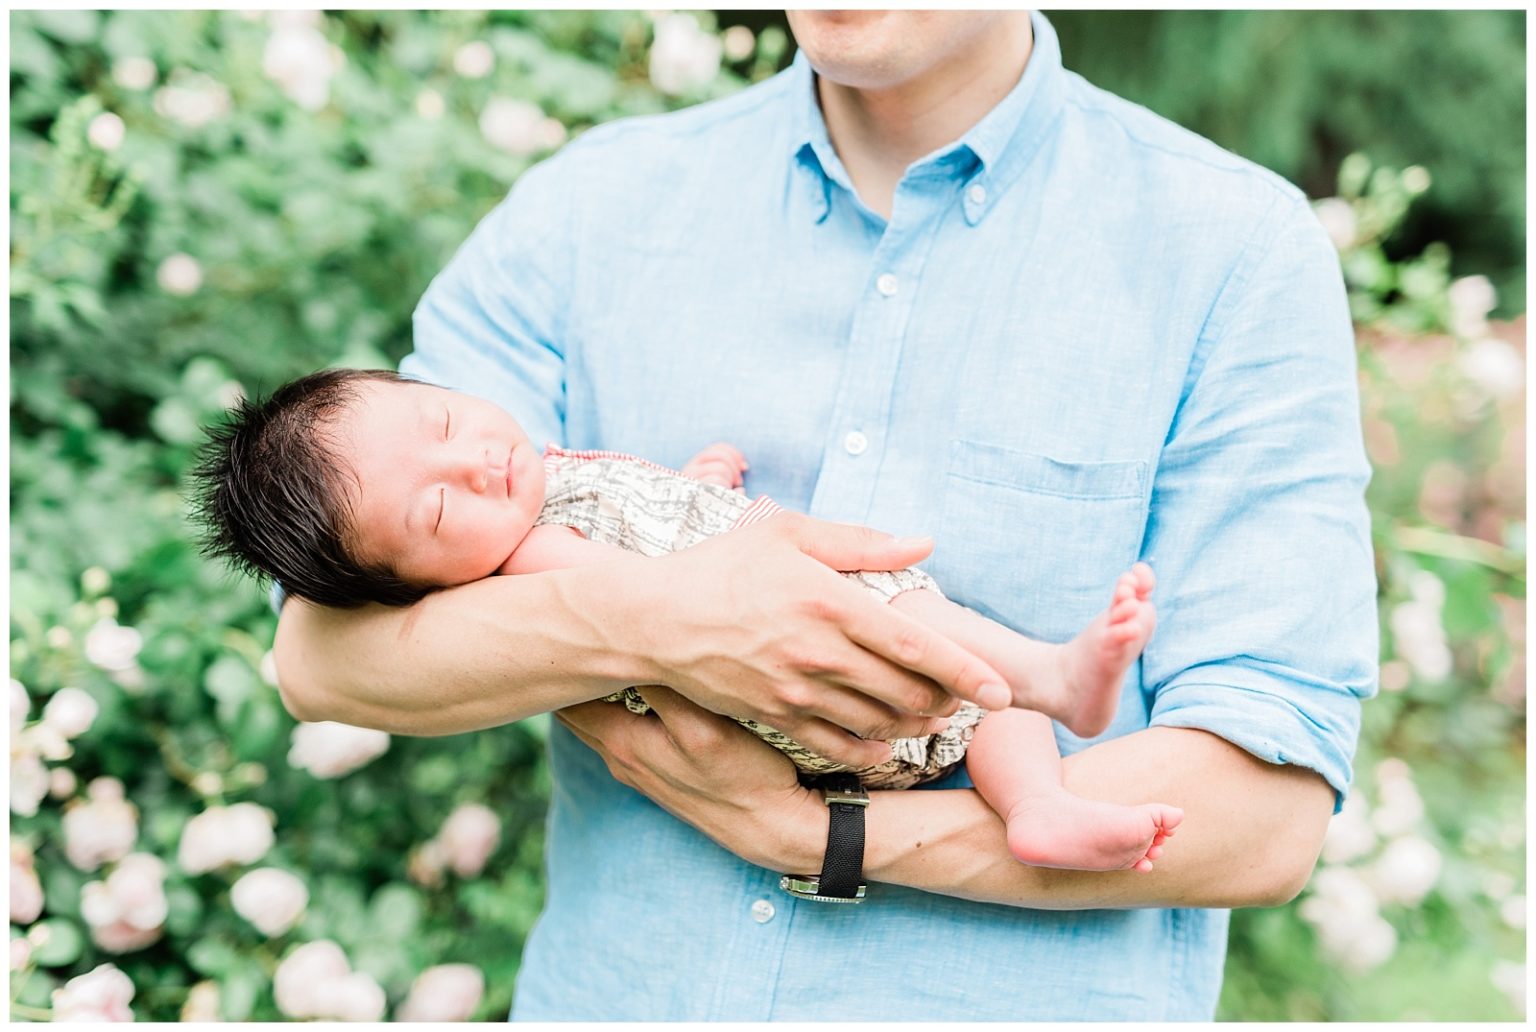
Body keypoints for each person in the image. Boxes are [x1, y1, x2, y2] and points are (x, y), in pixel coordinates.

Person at [272, 9, 1378, 1021]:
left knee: (1004, 692)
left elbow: (1264, 815)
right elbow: (327, 653)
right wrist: (666, 621)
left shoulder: (1231, 249)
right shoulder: (587, 210)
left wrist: (824, 836)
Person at [196, 367, 1179, 871]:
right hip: (822, 668)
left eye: (444, 422)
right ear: (413, 584)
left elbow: (658, 535)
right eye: (440, 510)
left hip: (837, 726)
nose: (475, 464)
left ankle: (1036, 806)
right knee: (936, 624)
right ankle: (1054, 678)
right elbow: (664, 599)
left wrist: (699, 487)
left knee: (978, 707)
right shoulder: (533, 560)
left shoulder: (548, 488)